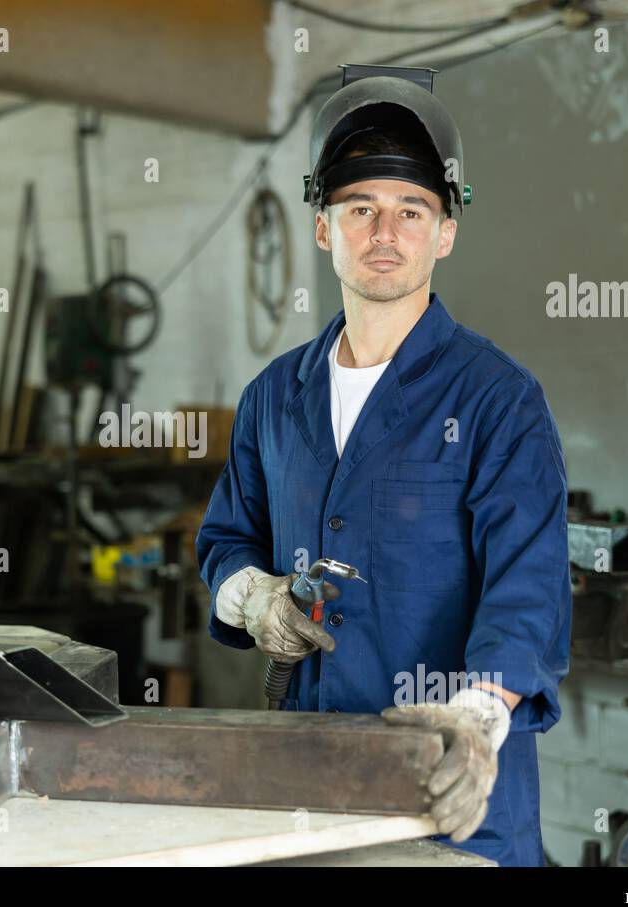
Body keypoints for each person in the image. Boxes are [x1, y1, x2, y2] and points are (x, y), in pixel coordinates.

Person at [195, 73, 571, 867]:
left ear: (446, 233)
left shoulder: (500, 398)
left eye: (412, 211)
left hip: (445, 795)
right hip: (306, 783)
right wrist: (253, 595)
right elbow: (226, 538)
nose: (385, 231)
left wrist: (475, 719)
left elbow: (528, 588)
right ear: (325, 227)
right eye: (361, 207)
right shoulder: (273, 397)